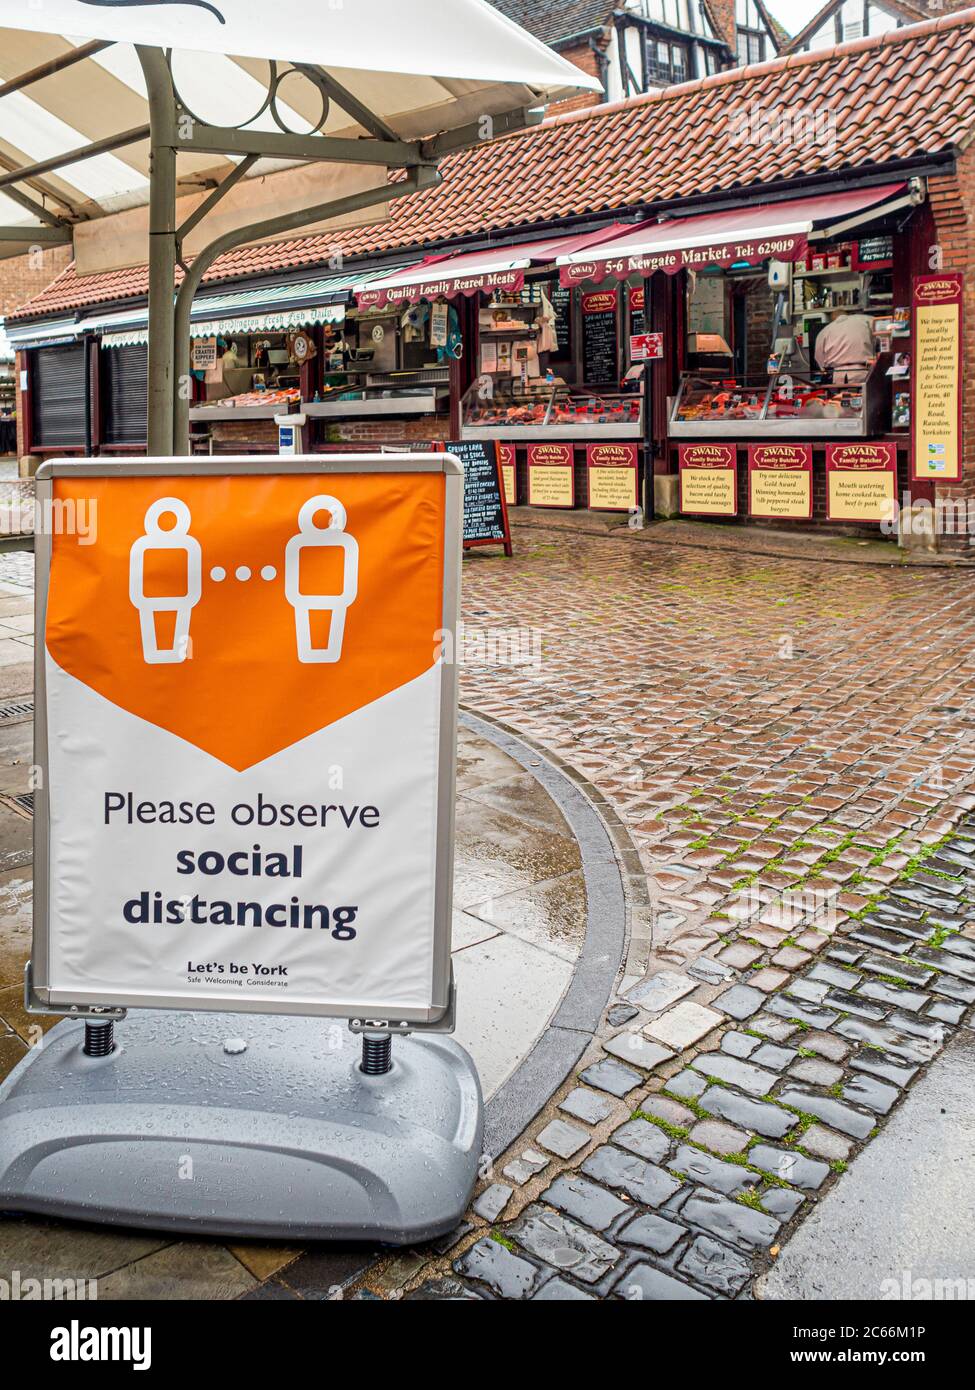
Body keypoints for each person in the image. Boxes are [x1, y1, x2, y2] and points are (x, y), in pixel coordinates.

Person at [813, 307, 876, 384]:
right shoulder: (865, 320)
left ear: (832, 320)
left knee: (841, 395)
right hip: (865, 372)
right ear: (847, 315)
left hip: (838, 376)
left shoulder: (824, 332)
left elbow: (819, 359)